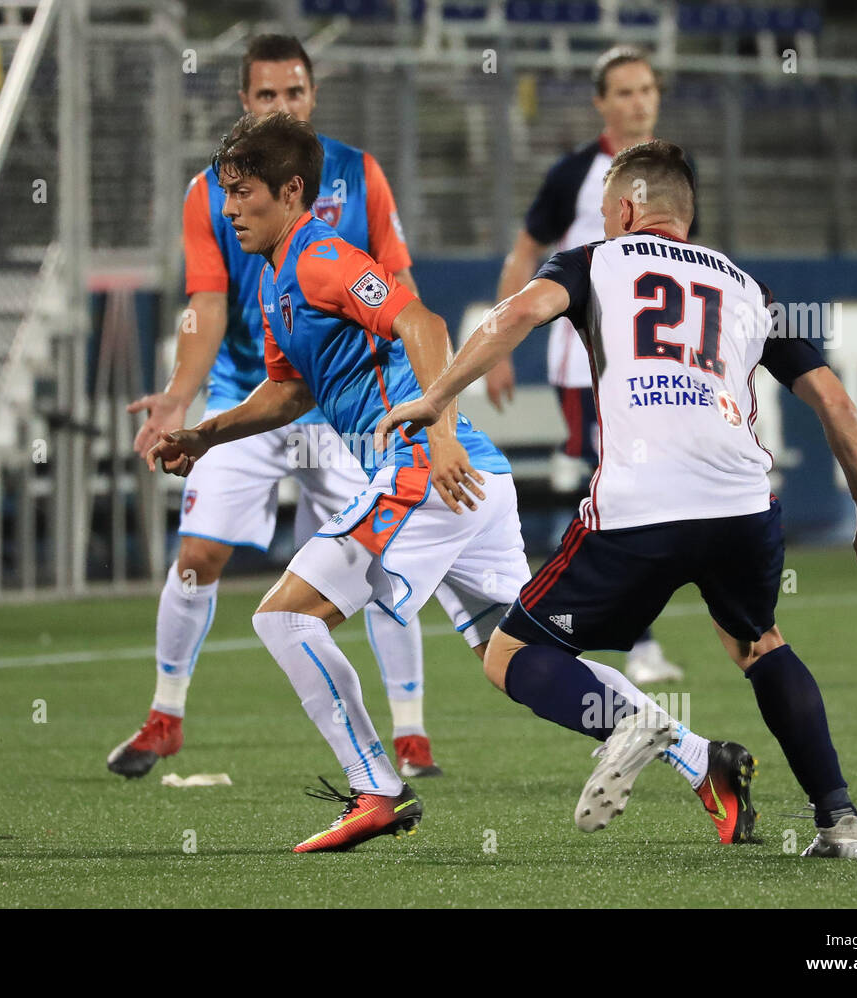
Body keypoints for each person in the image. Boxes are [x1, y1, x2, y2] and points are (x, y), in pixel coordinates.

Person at [150, 114, 750, 853]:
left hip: (425, 472)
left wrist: (435, 440)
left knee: (285, 619)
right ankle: (702, 759)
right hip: (474, 480)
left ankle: (377, 788)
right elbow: (287, 392)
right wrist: (205, 436)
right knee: (518, 661)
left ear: (291, 190)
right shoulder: (277, 280)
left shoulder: (322, 257)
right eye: (225, 194)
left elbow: (423, 324)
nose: (228, 208)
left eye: (241, 193)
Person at [376, 140, 857, 858]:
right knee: (758, 641)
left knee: (510, 653)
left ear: (627, 208)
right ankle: (839, 820)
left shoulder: (594, 261)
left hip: (641, 505)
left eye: (607, 209)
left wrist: (436, 395)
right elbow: (836, 403)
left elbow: (515, 316)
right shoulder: (749, 287)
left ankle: (625, 721)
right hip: (741, 502)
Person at [110, 35, 443, 780]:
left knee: (380, 562)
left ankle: (412, 733)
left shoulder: (359, 176)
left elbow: (403, 289)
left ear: (312, 97)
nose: (282, 106)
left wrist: (428, 398)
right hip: (251, 391)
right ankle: (166, 715)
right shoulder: (212, 190)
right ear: (244, 102)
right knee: (198, 553)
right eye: (267, 95)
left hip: (347, 404)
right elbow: (207, 301)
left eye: (294, 93)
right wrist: (180, 397)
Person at [486, 45, 692, 687]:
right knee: (608, 486)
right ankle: (616, 631)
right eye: (625, 92)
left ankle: (595, 624)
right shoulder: (576, 173)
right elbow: (524, 256)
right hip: (587, 363)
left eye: (647, 89)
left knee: (646, 488)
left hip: (655, 364)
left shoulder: (673, 176)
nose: (639, 101)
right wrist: (500, 343)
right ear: (601, 103)